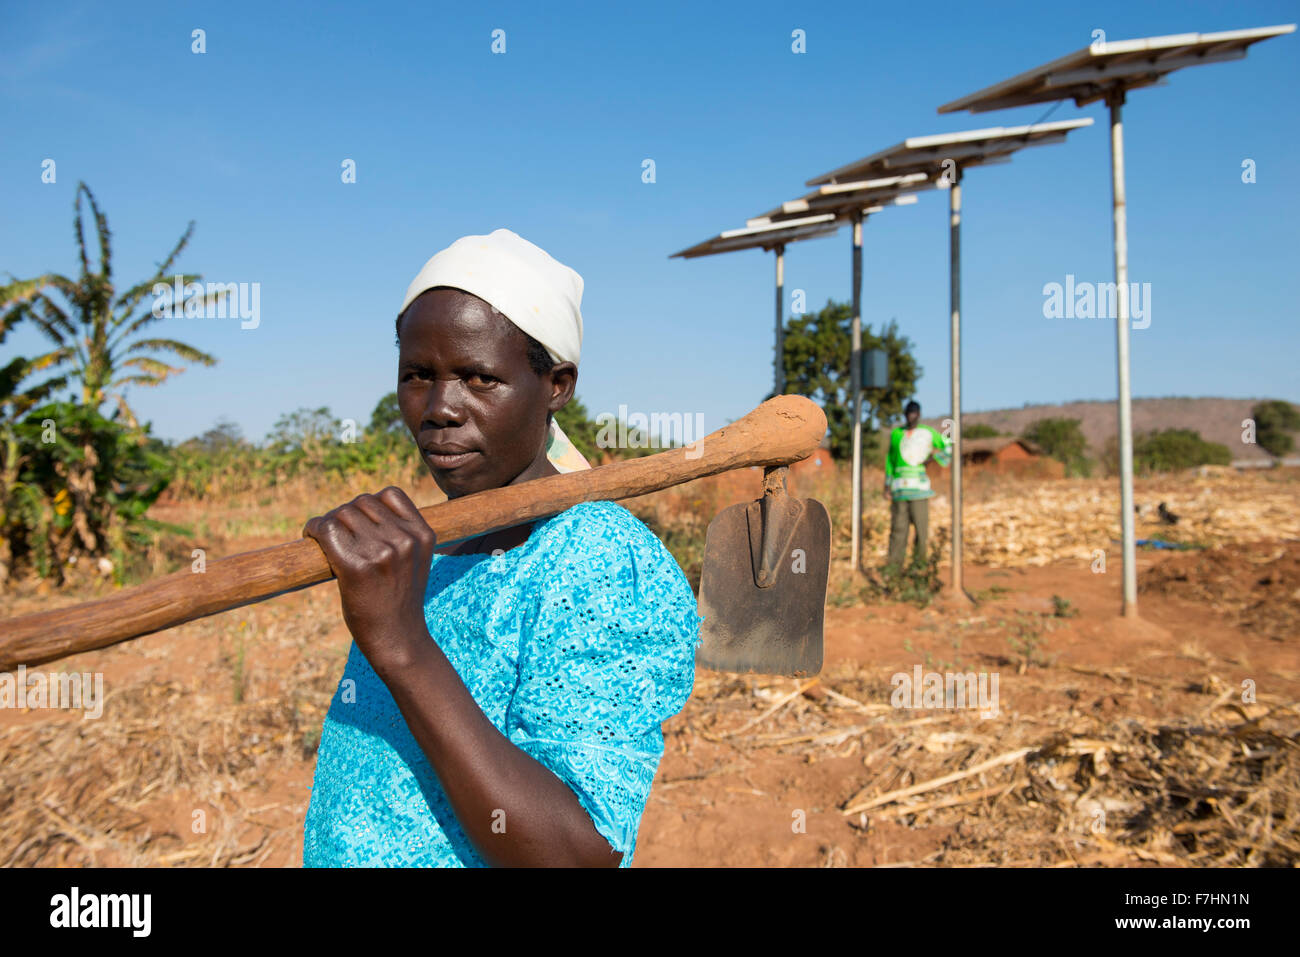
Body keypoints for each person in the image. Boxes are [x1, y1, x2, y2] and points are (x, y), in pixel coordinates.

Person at [300, 228, 701, 867]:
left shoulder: (594, 557)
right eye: (417, 376)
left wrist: (403, 647)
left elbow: (576, 856)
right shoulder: (430, 547)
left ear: (557, 385)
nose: (439, 409)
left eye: (480, 378)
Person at [883, 400, 951, 572]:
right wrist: (887, 485)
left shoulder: (927, 433)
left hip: (919, 491)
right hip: (899, 490)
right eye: (908, 413)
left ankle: (918, 570)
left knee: (921, 532)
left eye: (914, 413)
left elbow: (948, 446)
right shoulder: (897, 434)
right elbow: (890, 460)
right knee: (898, 532)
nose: (910, 416)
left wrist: (934, 458)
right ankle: (893, 571)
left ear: (919, 414)